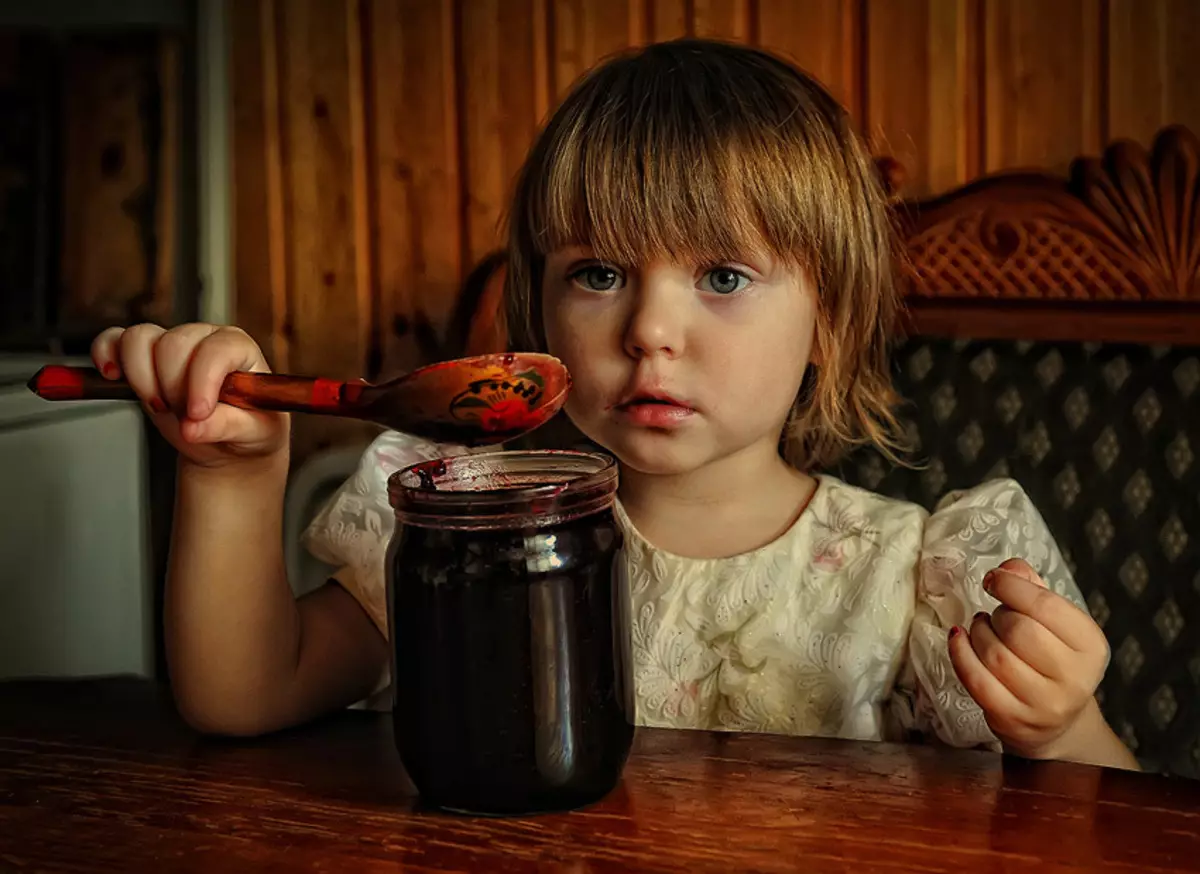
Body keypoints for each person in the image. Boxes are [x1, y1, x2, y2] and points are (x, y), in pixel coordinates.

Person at [90, 39, 1137, 769]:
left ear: (830, 320)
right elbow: (243, 696)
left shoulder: (919, 582)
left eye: (722, 276)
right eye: (597, 273)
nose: (648, 328)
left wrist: (1063, 728)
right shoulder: (468, 528)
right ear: (540, 310)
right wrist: (231, 473)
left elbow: (1110, 820)